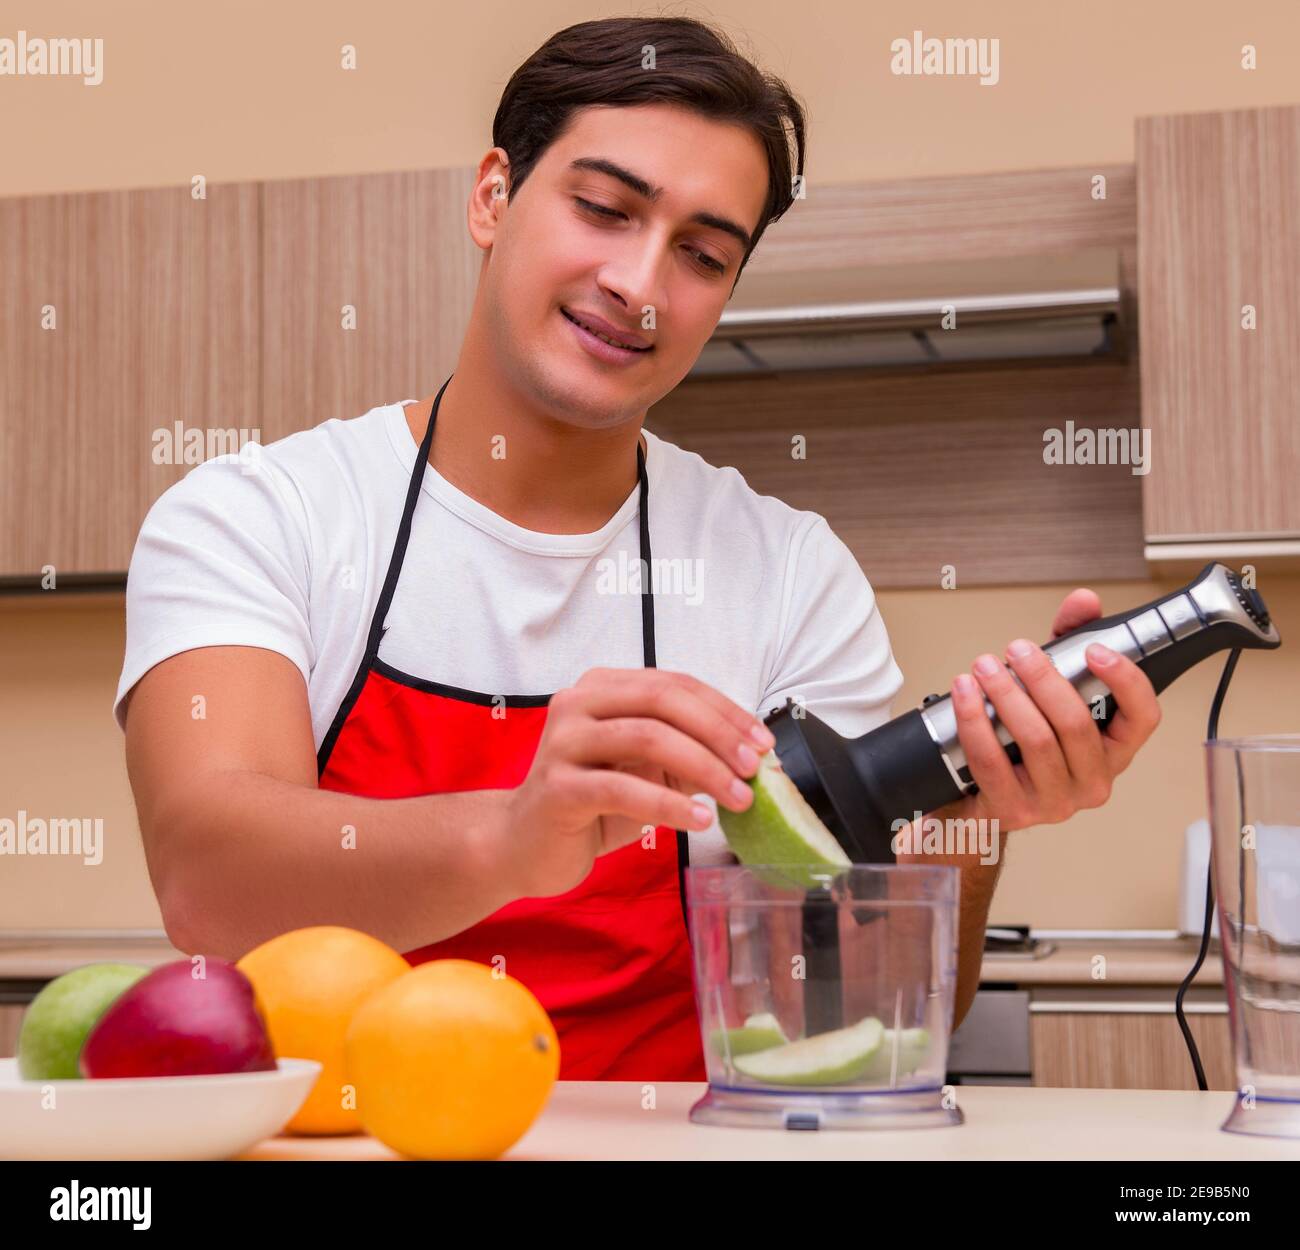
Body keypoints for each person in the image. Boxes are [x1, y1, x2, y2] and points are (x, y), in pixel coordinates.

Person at [115, 16, 1161, 1080]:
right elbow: (209, 881)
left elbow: (858, 1016)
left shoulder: (787, 570)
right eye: (604, 210)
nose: (641, 285)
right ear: (492, 196)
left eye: (703, 255)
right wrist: (518, 833)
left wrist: (969, 817)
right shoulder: (260, 516)